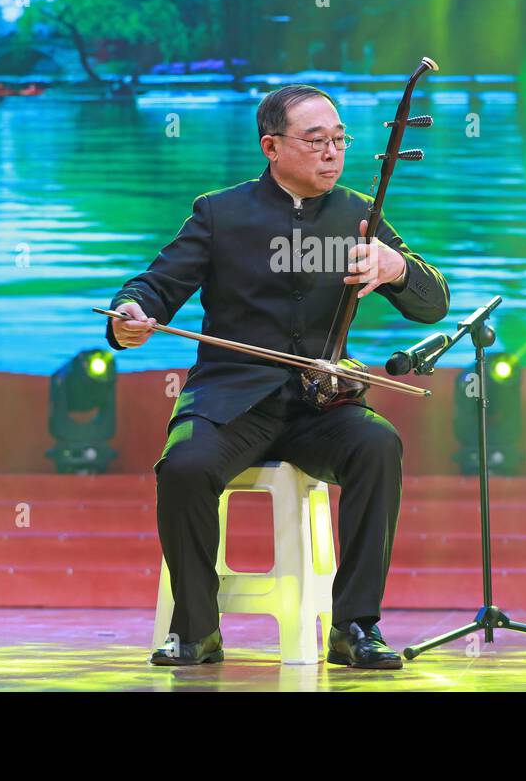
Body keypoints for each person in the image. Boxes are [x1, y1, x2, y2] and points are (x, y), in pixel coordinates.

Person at [106, 84, 450, 669]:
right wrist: (131, 318)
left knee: (379, 445)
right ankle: (197, 630)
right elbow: (153, 288)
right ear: (271, 146)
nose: (332, 153)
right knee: (184, 466)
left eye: (340, 140)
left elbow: (433, 303)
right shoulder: (221, 213)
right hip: (231, 400)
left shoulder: (357, 216)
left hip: (323, 404)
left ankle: (356, 627)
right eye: (315, 141)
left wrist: (397, 269)